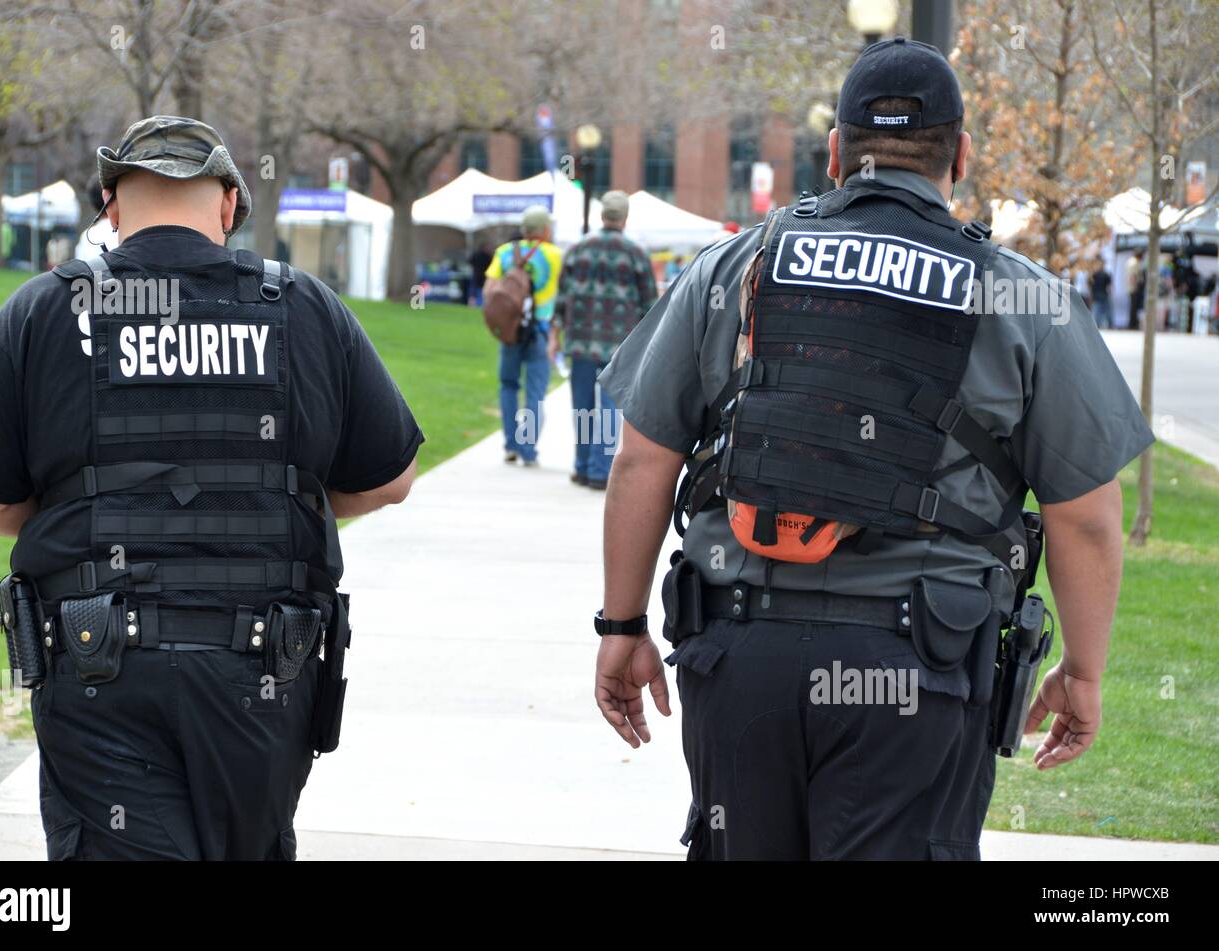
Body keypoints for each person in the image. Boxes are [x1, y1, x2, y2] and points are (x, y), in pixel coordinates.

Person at [592, 38, 1154, 860]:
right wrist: (1084, 670)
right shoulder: (1022, 294)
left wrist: (621, 621)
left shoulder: (733, 265)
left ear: (835, 152)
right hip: (914, 676)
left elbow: (643, 457)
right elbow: (1088, 519)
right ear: (960, 154)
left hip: (741, 656)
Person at [0, 116, 424, 861]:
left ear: (112, 204)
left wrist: (84, 510)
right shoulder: (307, 310)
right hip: (262, 675)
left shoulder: (41, 311)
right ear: (228, 204)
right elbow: (391, 479)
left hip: (99, 666)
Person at [550, 191, 657, 489]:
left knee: (582, 407)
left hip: (581, 341)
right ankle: (600, 471)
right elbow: (650, 306)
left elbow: (562, 299)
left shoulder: (577, 249)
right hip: (620, 345)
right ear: (624, 217)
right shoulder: (636, 253)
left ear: (601, 215)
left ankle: (582, 467)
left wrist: (554, 336)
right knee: (610, 407)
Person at [485, 206, 562, 466]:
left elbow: (489, 291)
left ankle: (510, 445)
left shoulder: (505, 252)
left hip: (510, 330)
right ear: (545, 230)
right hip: (539, 330)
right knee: (535, 392)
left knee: (508, 385)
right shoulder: (554, 255)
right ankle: (528, 450)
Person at [1090, 259, 1113, 329]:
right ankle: (1096, 324)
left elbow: (1109, 285)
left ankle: (1109, 324)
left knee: (1107, 311)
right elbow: (1090, 283)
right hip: (1097, 295)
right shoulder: (1094, 274)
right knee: (1096, 311)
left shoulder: (1106, 274)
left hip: (1104, 295)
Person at [468, 242, 493, 307]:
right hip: (484, 276)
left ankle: (472, 304)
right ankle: (480, 304)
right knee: (481, 291)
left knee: (473, 291)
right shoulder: (488, 256)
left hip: (475, 274)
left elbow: (470, 261)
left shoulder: (476, 254)